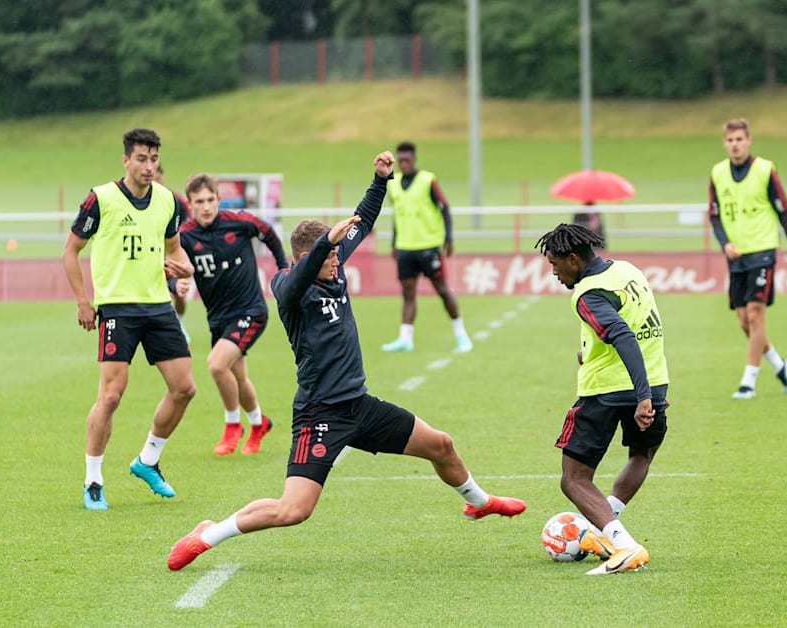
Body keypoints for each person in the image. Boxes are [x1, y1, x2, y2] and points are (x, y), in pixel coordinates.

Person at [167, 151, 525, 571]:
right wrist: (326, 246)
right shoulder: (289, 286)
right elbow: (298, 277)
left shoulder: (332, 268)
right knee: (293, 510)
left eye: (337, 254)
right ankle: (207, 534)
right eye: (331, 256)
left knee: (441, 445)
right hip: (320, 412)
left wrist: (380, 181)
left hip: (360, 405)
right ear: (308, 257)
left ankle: (479, 503)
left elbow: (365, 221)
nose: (339, 263)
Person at [62, 128, 197, 511]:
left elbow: (176, 254)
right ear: (126, 160)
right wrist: (82, 302)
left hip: (157, 307)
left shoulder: (169, 202)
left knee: (185, 389)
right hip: (118, 309)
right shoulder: (100, 199)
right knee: (111, 396)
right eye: (141, 158)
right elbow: (70, 251)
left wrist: (181, 273)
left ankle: (148, 460)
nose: (149, 166)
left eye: (154, 159)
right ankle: (93, 481)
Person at [536, 223, 668, 575]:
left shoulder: (587, 293)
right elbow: (638, 323)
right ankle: (604, 525)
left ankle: (623, 546)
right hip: (656, 382)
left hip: (608, 391)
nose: (554, 273)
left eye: (555, 264)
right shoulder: (628, 271)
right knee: (641, 454)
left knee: (574, 478)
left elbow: (623, 335)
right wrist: (591, 352)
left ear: (573, 259)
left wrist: (639, 397)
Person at [173, 174, 289, 455]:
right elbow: (172, 267)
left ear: (218, 199)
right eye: (199, 201)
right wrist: (175, 283)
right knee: (238, 377)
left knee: (215, 364)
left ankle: (232, 425)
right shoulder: (185, 236)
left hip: (251, 310)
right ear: (190, 204)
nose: (206, 207)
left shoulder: (240, 223)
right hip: (218, 318)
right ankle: (258, 422)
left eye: (210, 200)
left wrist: (284, 267)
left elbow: (269, 232)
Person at [708, 118, 787, 400]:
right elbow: (714, 215)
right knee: (743, 321)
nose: (735, 144)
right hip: (736, 255)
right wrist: (724, 243)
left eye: (740, 139)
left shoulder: (765, 170)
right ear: (724, 143)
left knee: (755, 314)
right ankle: (779, 365)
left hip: (763, 251)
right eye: (730, 140)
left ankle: (748, 382)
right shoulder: (717, 173)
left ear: (749, 140)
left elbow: (784, 213)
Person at [380, 141, 472, 353]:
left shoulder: (427, 180)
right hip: (405, 247)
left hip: (429, 246)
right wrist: (394, 242)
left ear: (414, 159)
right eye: (400, 160)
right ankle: (405, 338)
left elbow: (445, 210)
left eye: (406, 159)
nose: (403, 163)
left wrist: (448, 239)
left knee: (442, 290)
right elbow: (398, 215)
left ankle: (461, 335)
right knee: (408, 293)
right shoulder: (393, 184)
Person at [157, 164, 193, 344]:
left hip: (171, 254)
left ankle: (180, 323)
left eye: (158, 177)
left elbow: (189, 224)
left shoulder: (174, 200)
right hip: (151, 257)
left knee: (179, 290)